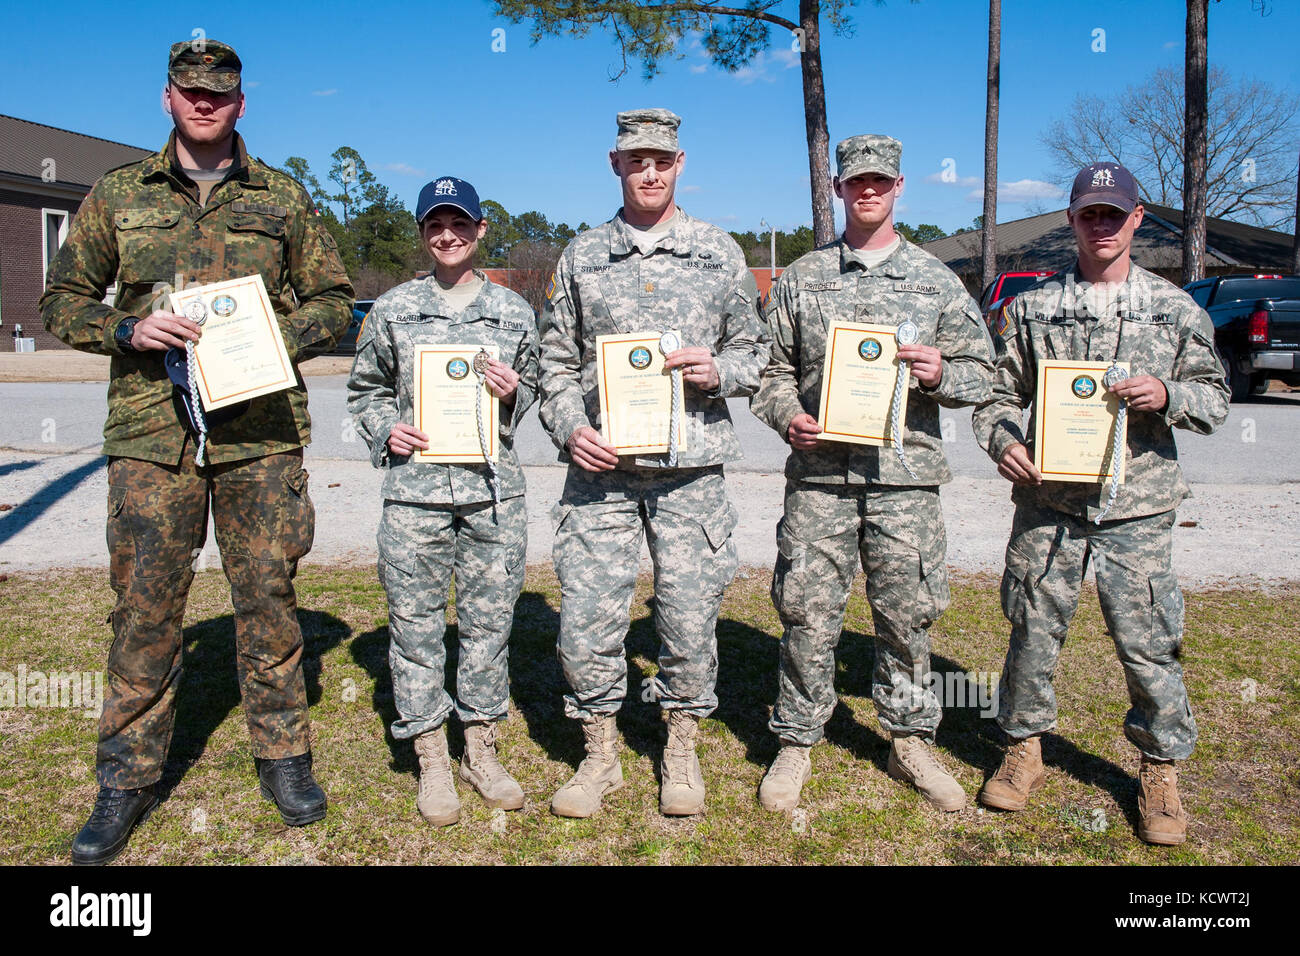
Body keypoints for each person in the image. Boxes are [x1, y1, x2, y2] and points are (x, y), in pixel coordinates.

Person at [40, 39, 354, 864]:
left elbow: (332, 298)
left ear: (241, 103)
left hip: (258, 432)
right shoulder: (117, 195)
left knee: (268, 595)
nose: (205, 103)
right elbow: (61, 300)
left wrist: (273, 339)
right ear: (168, 98)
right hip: (154, 432)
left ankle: (283, 754)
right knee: (143, 606)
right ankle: (126, 777)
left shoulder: (282, 196)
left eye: (220, 92)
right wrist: (124, 327)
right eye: (190, 91)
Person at [971, 162, 1229, 845]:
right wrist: (1002, 443)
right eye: (1090, 214)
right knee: (1031, 632)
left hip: (1137, 511)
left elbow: (1216, 398)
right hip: (1049, 506)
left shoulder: (1174, 309)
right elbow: (997, 396)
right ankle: (1023, 746)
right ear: (1072, 220)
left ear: (1137, 219)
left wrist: (1170, 395)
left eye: (1114, 214)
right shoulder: (1033, 308)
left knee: (1148, 646)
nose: (1101, 225)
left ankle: (1159, 767)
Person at [750, 134, 995, 813]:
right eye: (856, 181)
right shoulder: (802, 279)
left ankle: (910, 739)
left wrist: (943, 372)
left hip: (904, 478)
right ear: (837, 188)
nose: (868, 191)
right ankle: (797, 739)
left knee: (908, 614)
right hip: (821, 477)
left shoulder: (936, 279)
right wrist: (787, 416)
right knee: (804, 611)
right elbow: (768, 373)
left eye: (880, 182)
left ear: (899, 186)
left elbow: (985, 373)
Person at [538, 108, 769, 818]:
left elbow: (756, 352)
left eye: (661, 161)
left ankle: (680, 745)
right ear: (615, 164)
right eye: (636, 160)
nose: (649, 172)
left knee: (689, 615)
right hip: (601, 474)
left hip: (690, 472)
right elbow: (551, 363)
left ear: (680, 165)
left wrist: (718, 371)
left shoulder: (718, 252)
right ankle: (600, 753)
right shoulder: (581, 255)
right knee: (586, 616)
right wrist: (571, 427)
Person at [347, 177, 538, 826]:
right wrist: (383, 428)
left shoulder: (514, 313)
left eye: (460, 224)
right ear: (423, 232)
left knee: (488, 629)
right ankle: (431, 757)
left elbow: (536, 388)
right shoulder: (394, 310)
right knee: (416, 631)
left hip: (491, 496)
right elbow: (364, 390)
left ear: (481, 230)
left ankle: (479, 751)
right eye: (435, 225)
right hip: (415, 497)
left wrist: (515, 390)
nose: (448, 235)